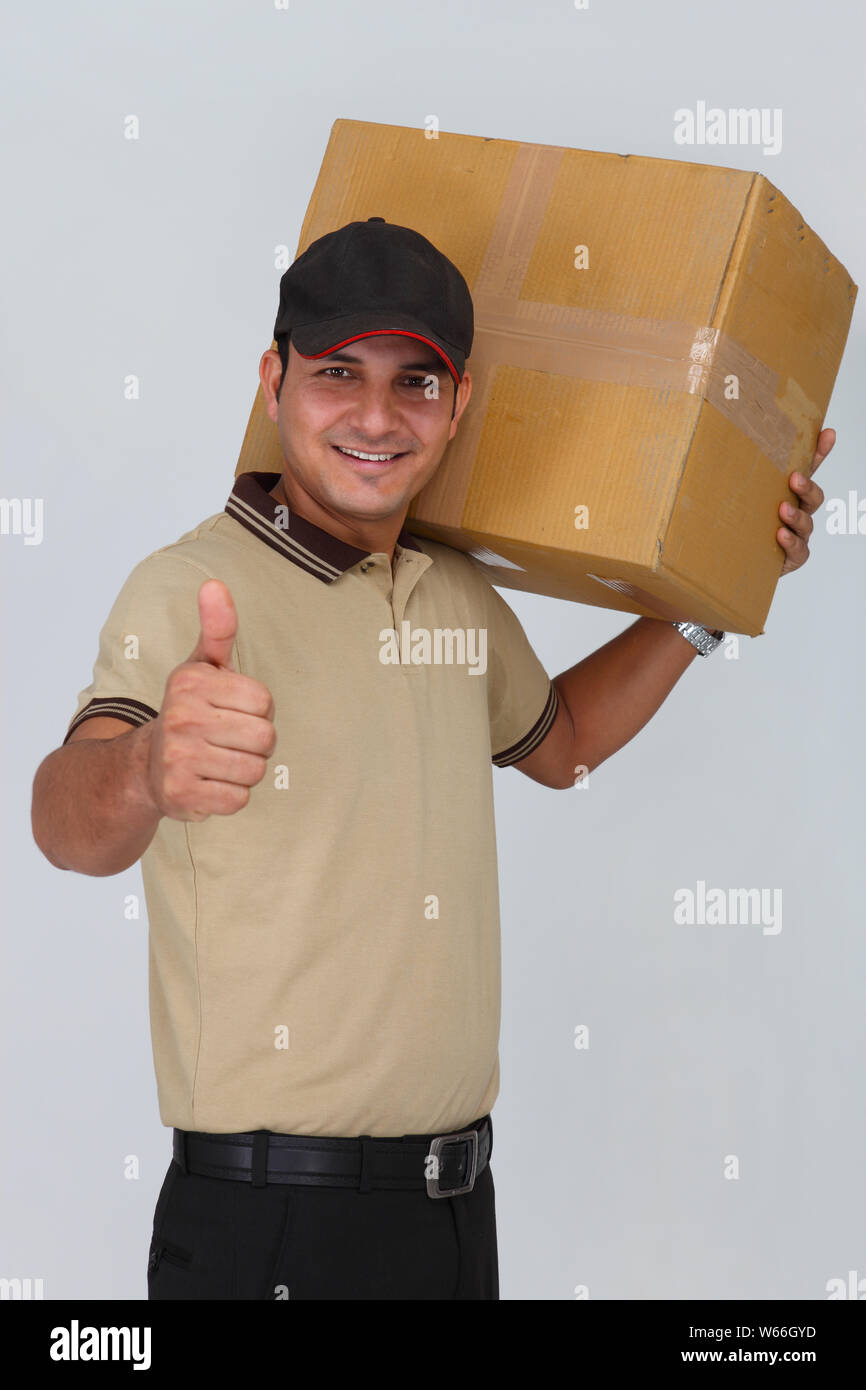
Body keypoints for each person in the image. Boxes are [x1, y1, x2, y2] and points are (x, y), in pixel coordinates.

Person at [30, 217, 832, 1301]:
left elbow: (565, 743)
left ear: (459, 406)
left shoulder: (452, 592)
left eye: (416, 381)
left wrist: (724, 578)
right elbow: (63, 824)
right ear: (273, 382)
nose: (374, 414)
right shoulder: (186, 586)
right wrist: (146, 766)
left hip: (454, 1221)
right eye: (336, 373)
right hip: (270, 1230)